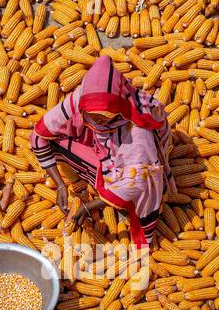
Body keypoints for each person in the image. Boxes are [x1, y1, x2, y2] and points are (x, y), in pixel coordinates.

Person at [30, 55, 174, 248]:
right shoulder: (84, 98)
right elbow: (40, 133)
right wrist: (61, 186)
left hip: (142, 168)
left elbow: (139, 181)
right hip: (104, 146)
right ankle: (103, 184)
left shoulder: (138, 134)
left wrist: (91, 207)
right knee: (53, 140)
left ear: (119, 109)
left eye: (104, 117)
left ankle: (115, 197)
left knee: (140, 192)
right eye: (91, 115)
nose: (96, 120)